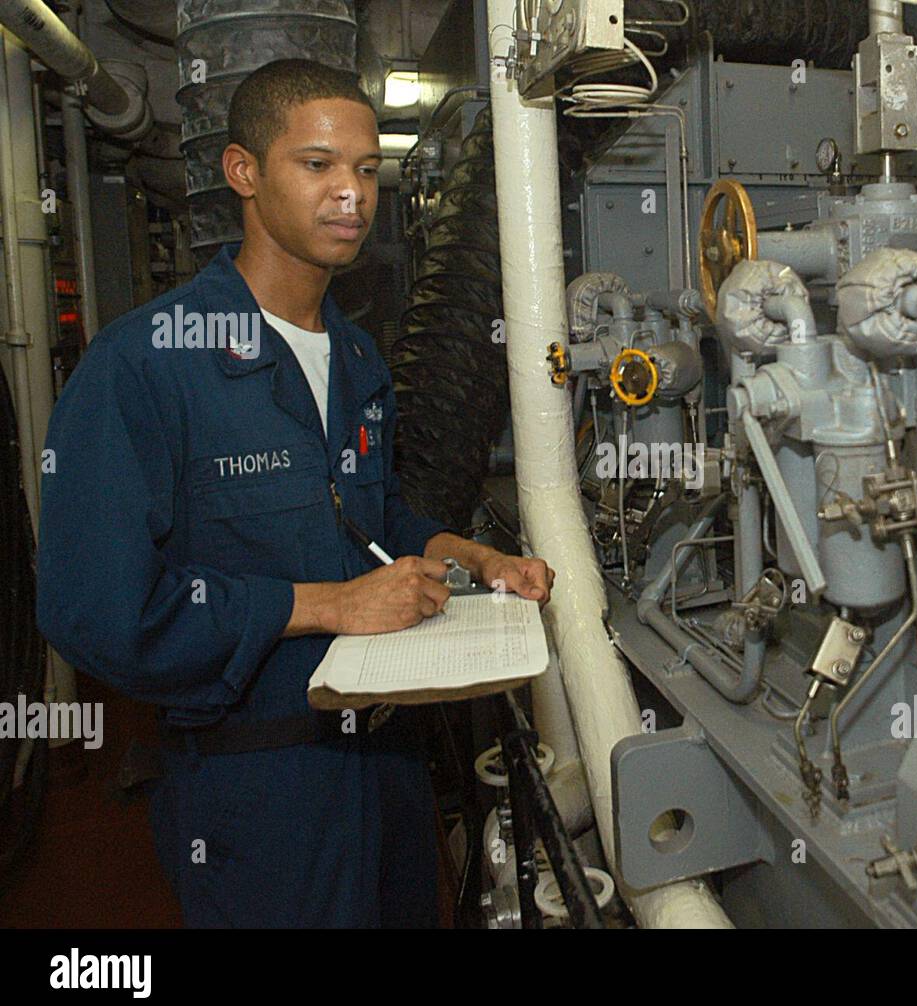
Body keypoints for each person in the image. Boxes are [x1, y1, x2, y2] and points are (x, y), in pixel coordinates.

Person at [35, 58, 552, 927]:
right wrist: (322, 606)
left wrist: (468, 554)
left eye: (364, 169)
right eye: (316, 166)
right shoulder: (147, 366)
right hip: (258, 787)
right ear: (244, 173)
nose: (350, 193)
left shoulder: (354, 359)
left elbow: (371, 519)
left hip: (385, 765)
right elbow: (94, 612)